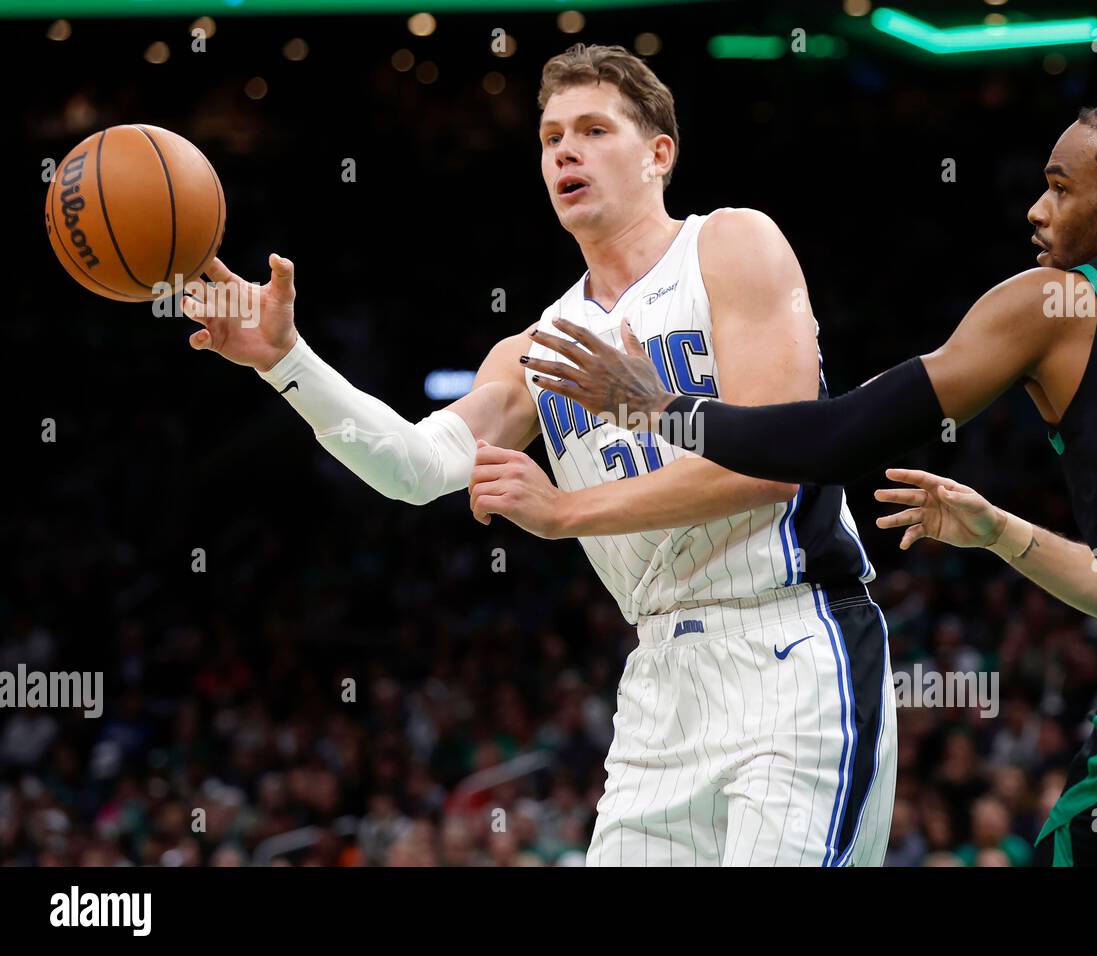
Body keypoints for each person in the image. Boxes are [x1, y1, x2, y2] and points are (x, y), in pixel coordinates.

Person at [525, 99, 1097, 865]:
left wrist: (658, 408)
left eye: (1061, 188)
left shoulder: (1059, 300)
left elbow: (834, 438)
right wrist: (1002, 530)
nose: (1036, 210)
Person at [181, 43, 893, 867]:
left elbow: (777, 462)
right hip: (660, 680)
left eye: (594, 129)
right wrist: (286, 361)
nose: (566, 151)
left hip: (794, 646)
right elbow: (412, 468)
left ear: (659, 153)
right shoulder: (535, 349)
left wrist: (566, 512)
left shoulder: (730, 245)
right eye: (552, 137)